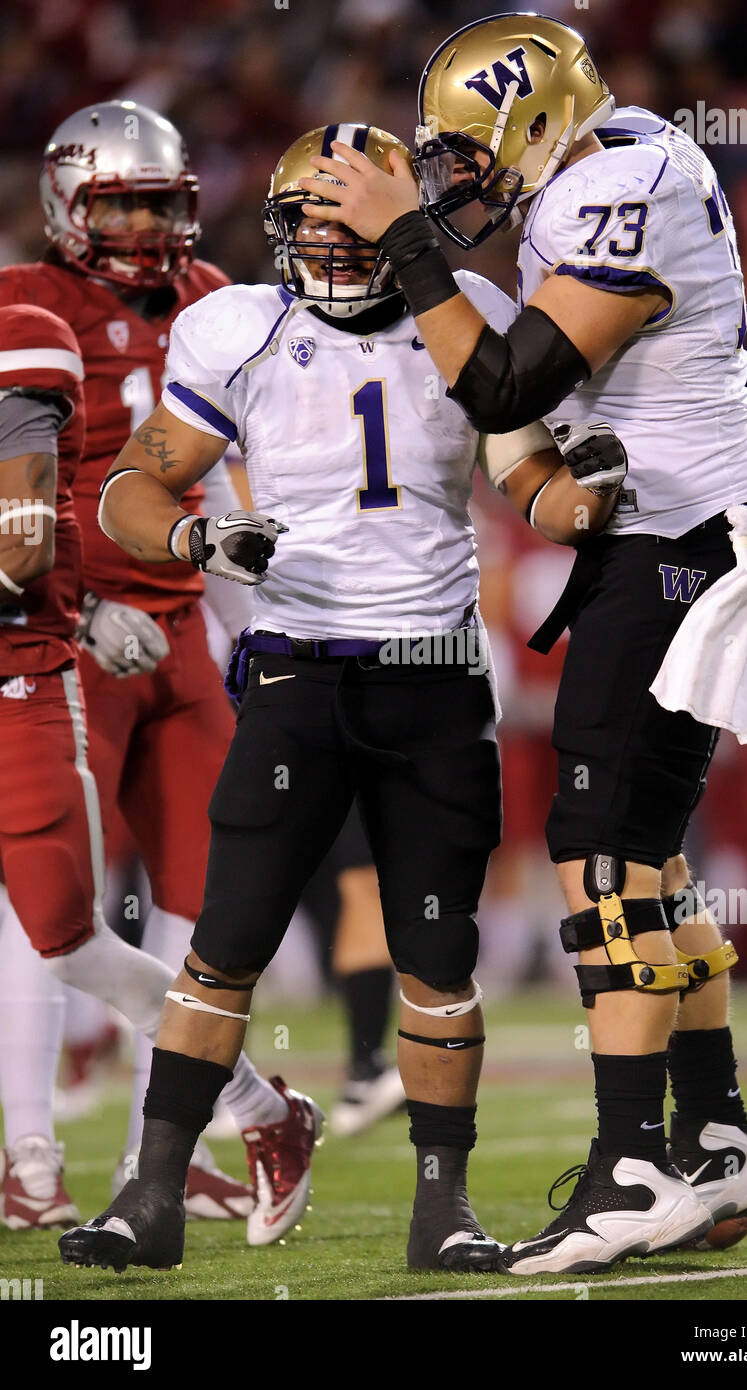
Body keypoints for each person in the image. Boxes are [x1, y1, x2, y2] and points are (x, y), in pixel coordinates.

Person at [58, 121, 622, 1274]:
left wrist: (588, 503)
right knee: (225, 946)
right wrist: (194, 535)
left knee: (435, 955)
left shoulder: (454, 305)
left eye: (348, 213)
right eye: (309, 216)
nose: (329, 236)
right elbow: (128, 485)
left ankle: (441, 1208)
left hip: (432, 682)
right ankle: (150, 1198)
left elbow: (525, 475)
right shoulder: (236, 327)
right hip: (296, 672)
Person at [298, 14, 747, 1273]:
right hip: (683, 539)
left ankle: (631, 1160)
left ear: (532, 124)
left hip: (677, 550)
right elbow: (531, 424)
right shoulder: (619, 160)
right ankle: (716, 1133)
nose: (455, 176)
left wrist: (408, 245)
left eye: (466, 151)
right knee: (641, 851)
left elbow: (504, 389)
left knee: (595, 852)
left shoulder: (614, 183)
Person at [0, 103, 321, 1246]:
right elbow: (25, 498)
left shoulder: (211, 300)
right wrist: (77, 605)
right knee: (51, 902)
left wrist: (254, 625)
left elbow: (231, 481)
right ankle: (28, 1150)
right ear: (68, 203)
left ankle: (160, 1152)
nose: (143, 223)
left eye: (159, 200)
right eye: (120, 201)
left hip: (183, 628)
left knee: (204, 905)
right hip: (62, 629)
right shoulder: (31, 306)